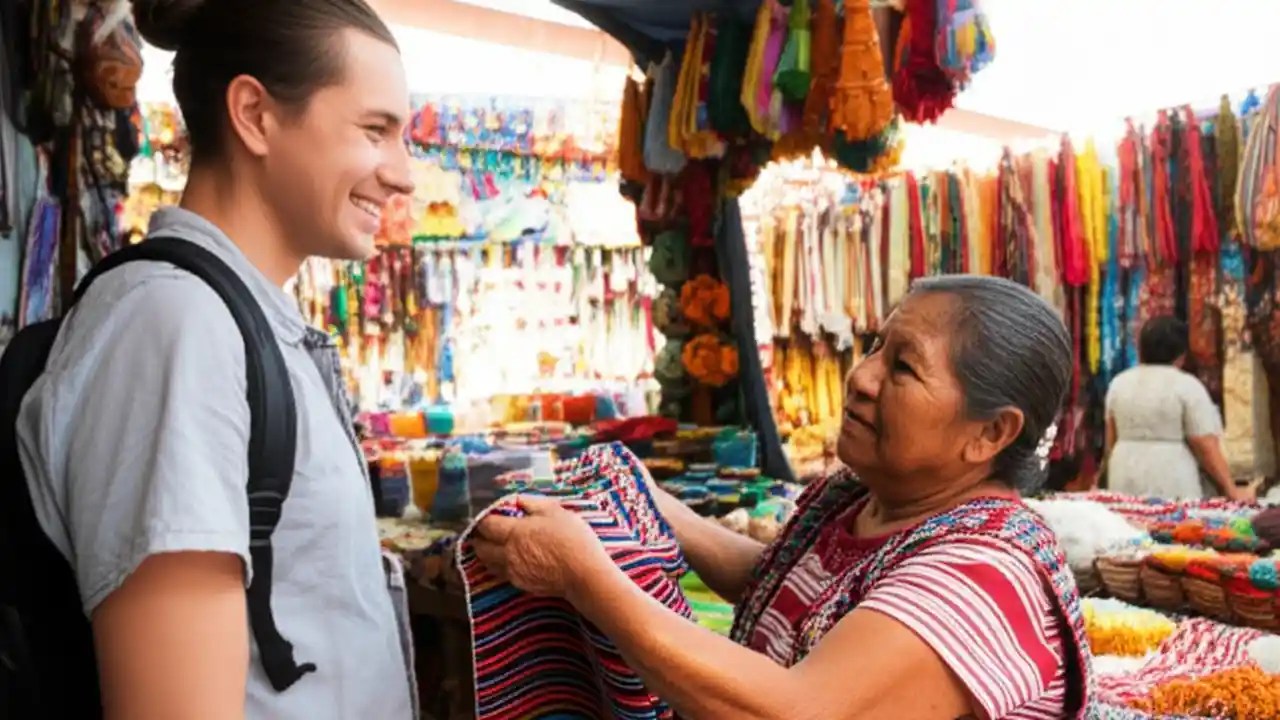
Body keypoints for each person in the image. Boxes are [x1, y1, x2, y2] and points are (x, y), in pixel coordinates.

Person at [15, 1, 417, 718]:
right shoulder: (175, 330)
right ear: (255, 114)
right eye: (375, 131)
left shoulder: (238, 319)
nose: (403, 175)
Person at [473, 276, 1101, 720]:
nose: (862, 376)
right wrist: (658, 509)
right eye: (879, 345)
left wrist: (585, 575)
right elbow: (798, 600)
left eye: (904, 368)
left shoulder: (982, 575)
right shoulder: (866, 503)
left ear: (989, 434)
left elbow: (796, 710)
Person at [1104, 316, 1252, 501]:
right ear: (1181, 355)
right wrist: (1231, 489)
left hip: (1123, 472)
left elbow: (1111, 439)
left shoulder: (1119, 383)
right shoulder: (1186, 386)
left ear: (1141, 349)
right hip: (1171, 476)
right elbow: (1205, 444)